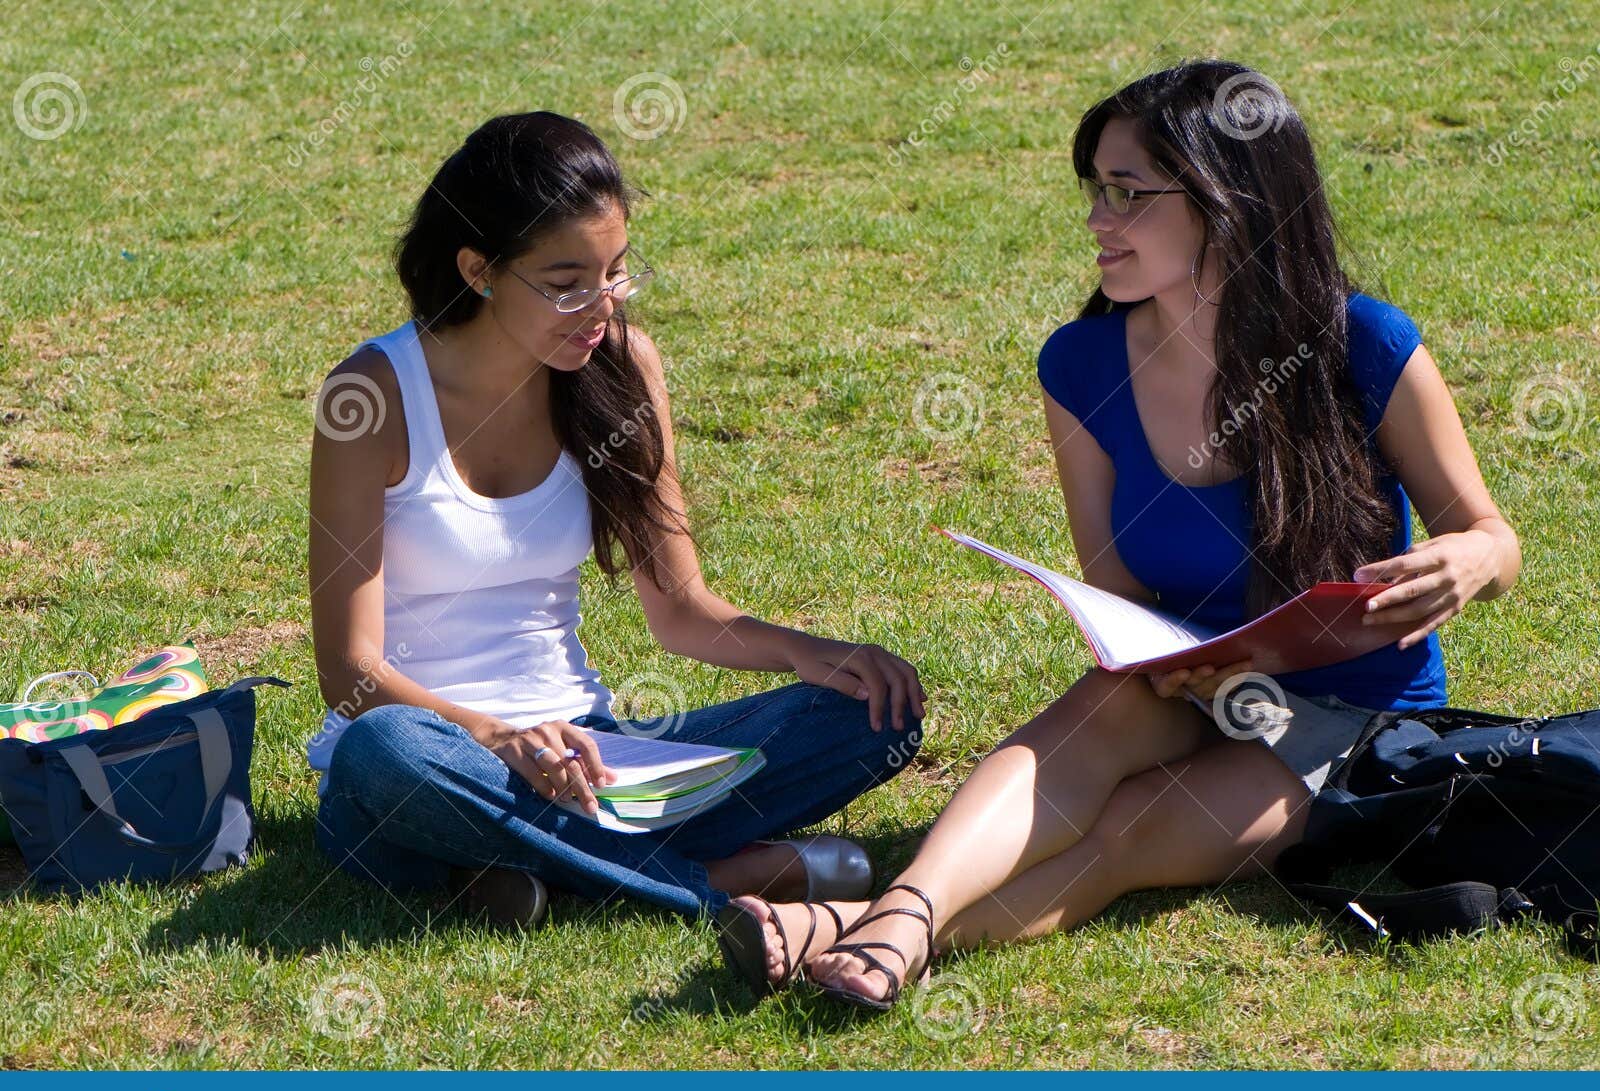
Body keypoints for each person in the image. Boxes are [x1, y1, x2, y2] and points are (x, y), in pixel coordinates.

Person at [714, 60, 1521, 1008]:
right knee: (1084, 727)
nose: (1099, 218)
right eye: (1096, 189)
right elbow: (1116, 591)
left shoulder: (1364, 345)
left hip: (1355, 723)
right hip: (1185, 682)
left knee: (1131, 831)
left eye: (1128, 193)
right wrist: (1167, 663)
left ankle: (863, 926)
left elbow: (1491, 535)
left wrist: (1466, 560)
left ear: (1229, 202)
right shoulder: (1082, 364)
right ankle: (911, 907)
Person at [307, 112, 925, 930]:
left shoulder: (623, 366)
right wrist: (499, 739)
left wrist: (812, 653)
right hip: (440, 754)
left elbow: (681, 610)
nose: (600, 306)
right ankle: (710, 882)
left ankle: (519, 873)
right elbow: (350, 673)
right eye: (567, 282)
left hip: (593, 754)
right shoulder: (372, 396)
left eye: (616, 273)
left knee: (872, 712)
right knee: (382, 753)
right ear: (479, 269)